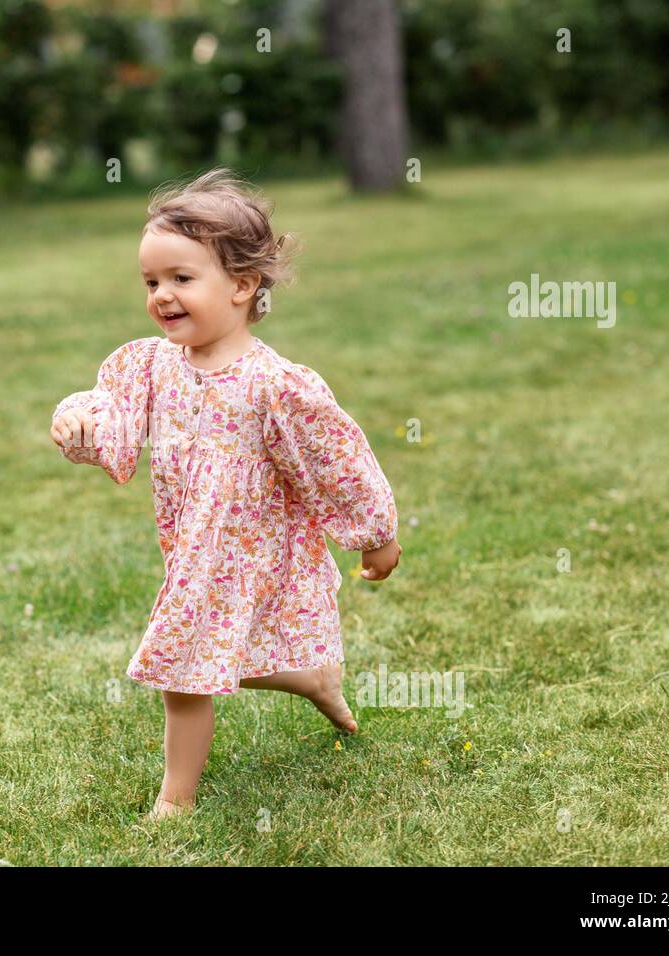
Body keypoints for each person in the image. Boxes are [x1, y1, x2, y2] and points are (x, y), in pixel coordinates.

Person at [49, 168, 402, 821]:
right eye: (151, 281)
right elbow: (118, 413)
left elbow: (336, 459)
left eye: (182, 279)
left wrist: (376, 534)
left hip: (256, 554)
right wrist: (84, 421)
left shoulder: (273, 384)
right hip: (195, 550)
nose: (161, 295)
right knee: (203, 653)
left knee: (183, 667)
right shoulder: (156, 366)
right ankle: (314, 679)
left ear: (242, 286)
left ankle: (174, 802)